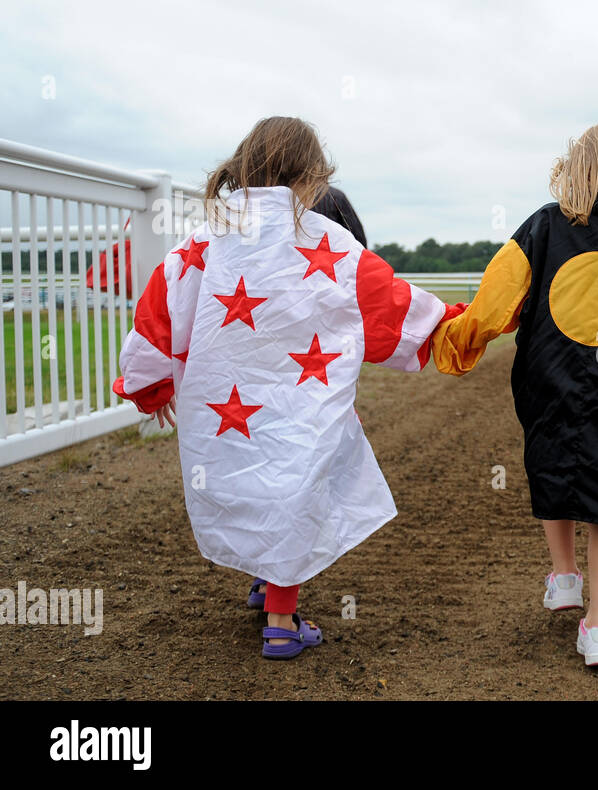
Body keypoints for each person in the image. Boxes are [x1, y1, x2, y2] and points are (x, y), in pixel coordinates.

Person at [112, 117, 452, 659]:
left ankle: (263, 581)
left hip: (227, 411)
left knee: (250, 483)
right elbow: (389, 307)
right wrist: (456, 325)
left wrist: (148, 386)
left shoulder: (201, 242)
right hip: (301, 408)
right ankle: (281, 622)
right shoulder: (330, 244)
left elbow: (158, 315)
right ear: (313, 179)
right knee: (297, 493)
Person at [429, 124, 598, 667]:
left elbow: (495, 298)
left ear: (573, 171)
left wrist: (457, 341)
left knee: (554, 471)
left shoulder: (542, 227)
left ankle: (564, 575)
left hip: (549, 383)